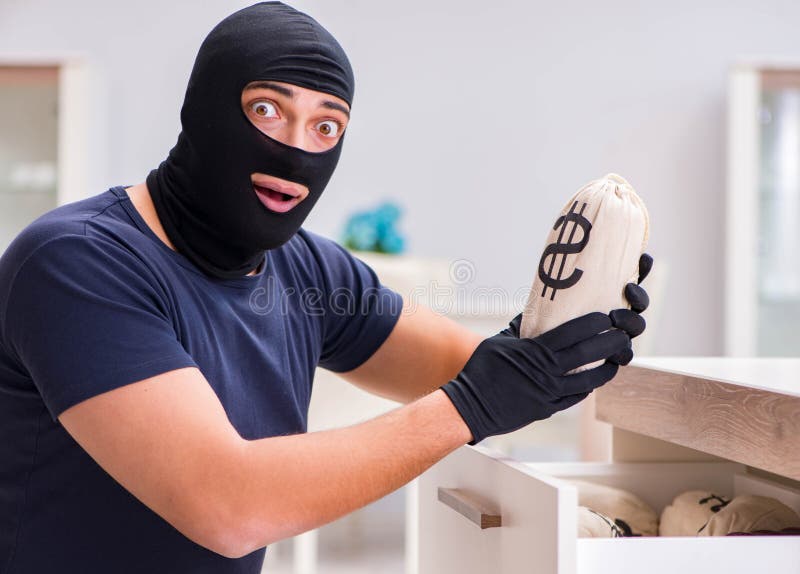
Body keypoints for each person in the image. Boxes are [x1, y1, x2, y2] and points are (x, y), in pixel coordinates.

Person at [0, 2, 650, 572]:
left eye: (325, 126)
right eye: (266, 110)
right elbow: (228, 506)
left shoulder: (305, 270)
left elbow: (476, 369)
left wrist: (566, 326)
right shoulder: (76, 264)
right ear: (203, 110)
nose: (295, 150)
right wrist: (471, 404)